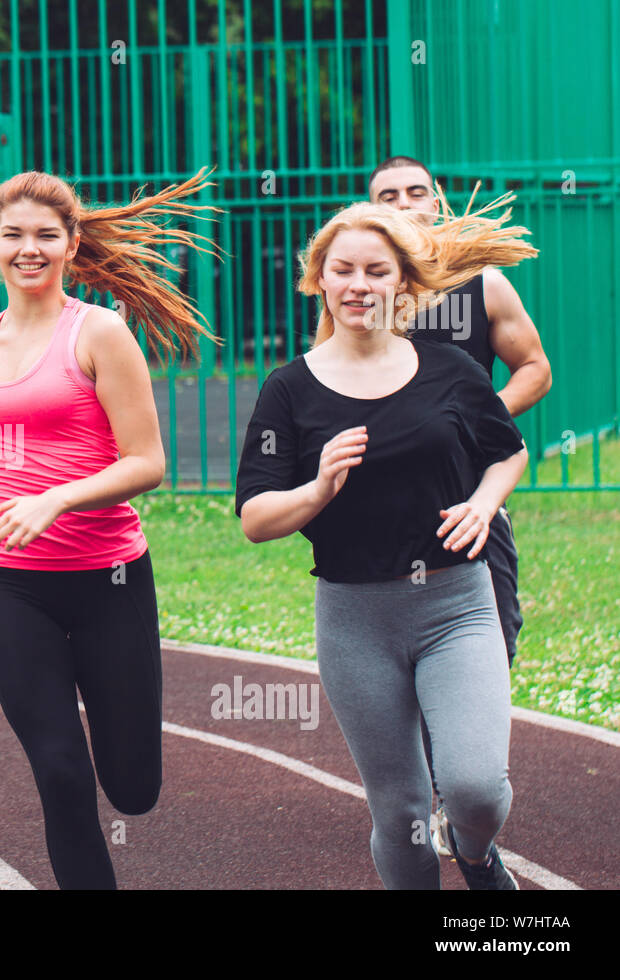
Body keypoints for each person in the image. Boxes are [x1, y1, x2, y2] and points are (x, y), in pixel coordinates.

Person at [0, 169, 219, 889]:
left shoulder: (100, 333)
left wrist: (57, 500)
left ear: (72, 244)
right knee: (58, 769)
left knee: (133, 787)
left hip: (108, 578)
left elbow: (147, 462)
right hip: (9, 588)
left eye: (45, 236)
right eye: (14, 236)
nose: (30, 249)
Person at [236, 199, 535, 889]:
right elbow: (255, 515)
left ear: (403, 282)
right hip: (356, 620)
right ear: (319, 280)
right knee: (399, 812)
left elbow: (508, 450)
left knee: (476, 789)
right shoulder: (289, 391)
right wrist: (315, 491)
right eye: (342, 270)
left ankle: (477, 851)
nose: (359, 285)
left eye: (376, 270)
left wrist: (484, 504)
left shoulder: (450, 371)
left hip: (457, 606)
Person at [367, 155, 551, 669]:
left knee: (488, 648)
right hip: (384, 500)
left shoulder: (481, 282)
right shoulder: (360, 291)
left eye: (415, 192)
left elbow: (535, 368)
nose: (404, 203)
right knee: (390, 659)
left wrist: (476, 423)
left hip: (473, 492)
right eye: (388, 196)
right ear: (370, 208)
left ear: (437, 200)